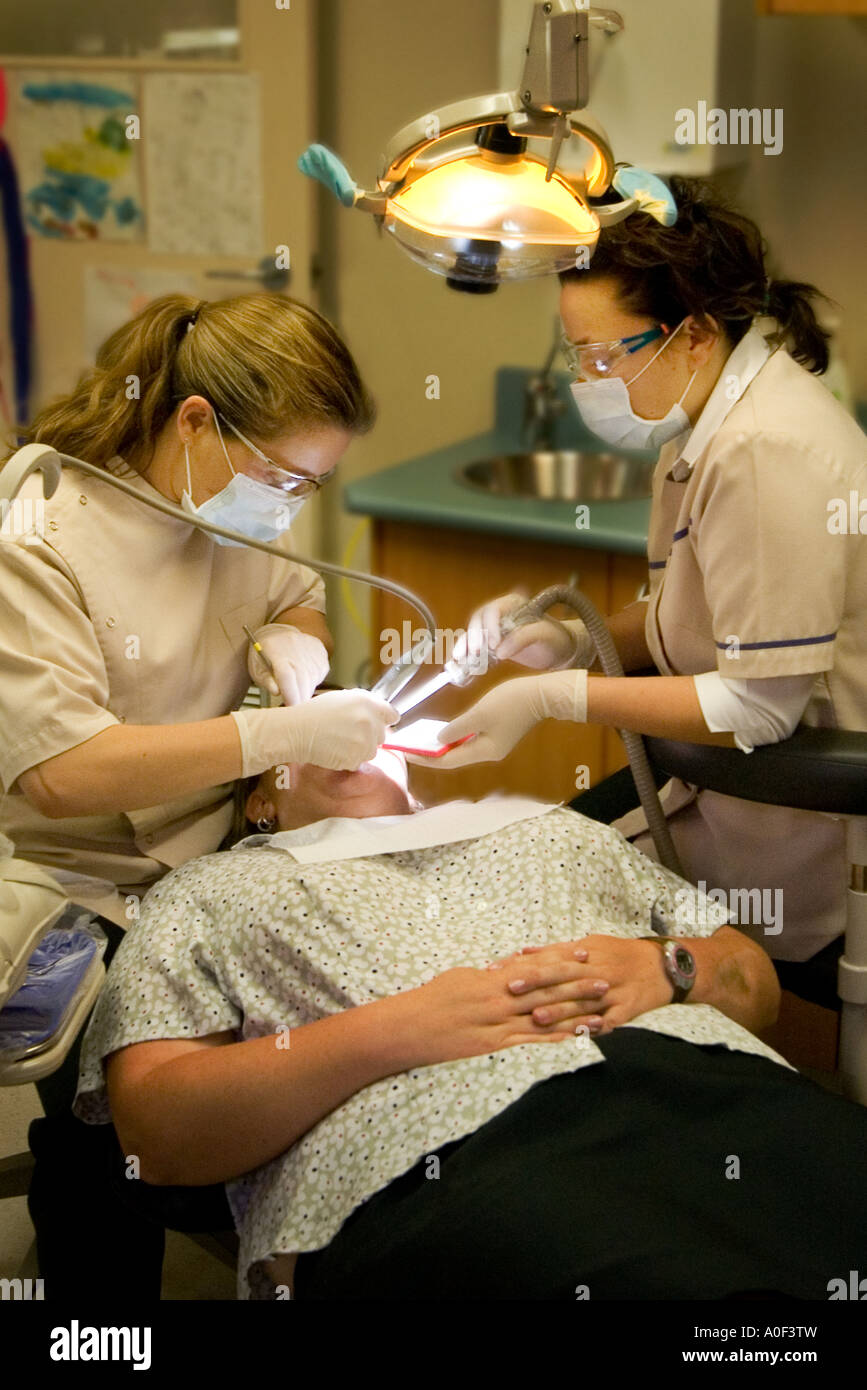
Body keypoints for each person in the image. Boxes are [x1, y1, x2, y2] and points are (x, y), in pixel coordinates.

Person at [73, 753, 867, 1300]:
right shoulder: (208, 890)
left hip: (721, 1094)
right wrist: (395, 1030)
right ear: (260, 801)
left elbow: (753, 987)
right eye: (306, 728)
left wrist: (670, 968)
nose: (344, 736)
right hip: (446, 1160)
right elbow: (159, 1136)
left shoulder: (545, 829)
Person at [0, 291, 396, 1293]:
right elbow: (61, 772)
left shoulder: (223, 492)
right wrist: (272, 732)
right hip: (74, 878)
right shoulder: (38, 531)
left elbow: (290, 585)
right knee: (121, 1114)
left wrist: (295, 641)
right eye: (286, 479)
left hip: (215, 852)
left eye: (313, 485)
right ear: (192, 421)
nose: (291, 506)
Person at [427, 176, 866, 972]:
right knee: (525, 865)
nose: (587, 378)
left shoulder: (765, 451)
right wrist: (558, 642)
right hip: (716, 790)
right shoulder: (703, 416)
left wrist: (550, 698)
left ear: (693, 334)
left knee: (530, 903)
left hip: (804, 824)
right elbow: (683, 614)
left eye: (603, 353)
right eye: (575, 352)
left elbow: (756, 708)